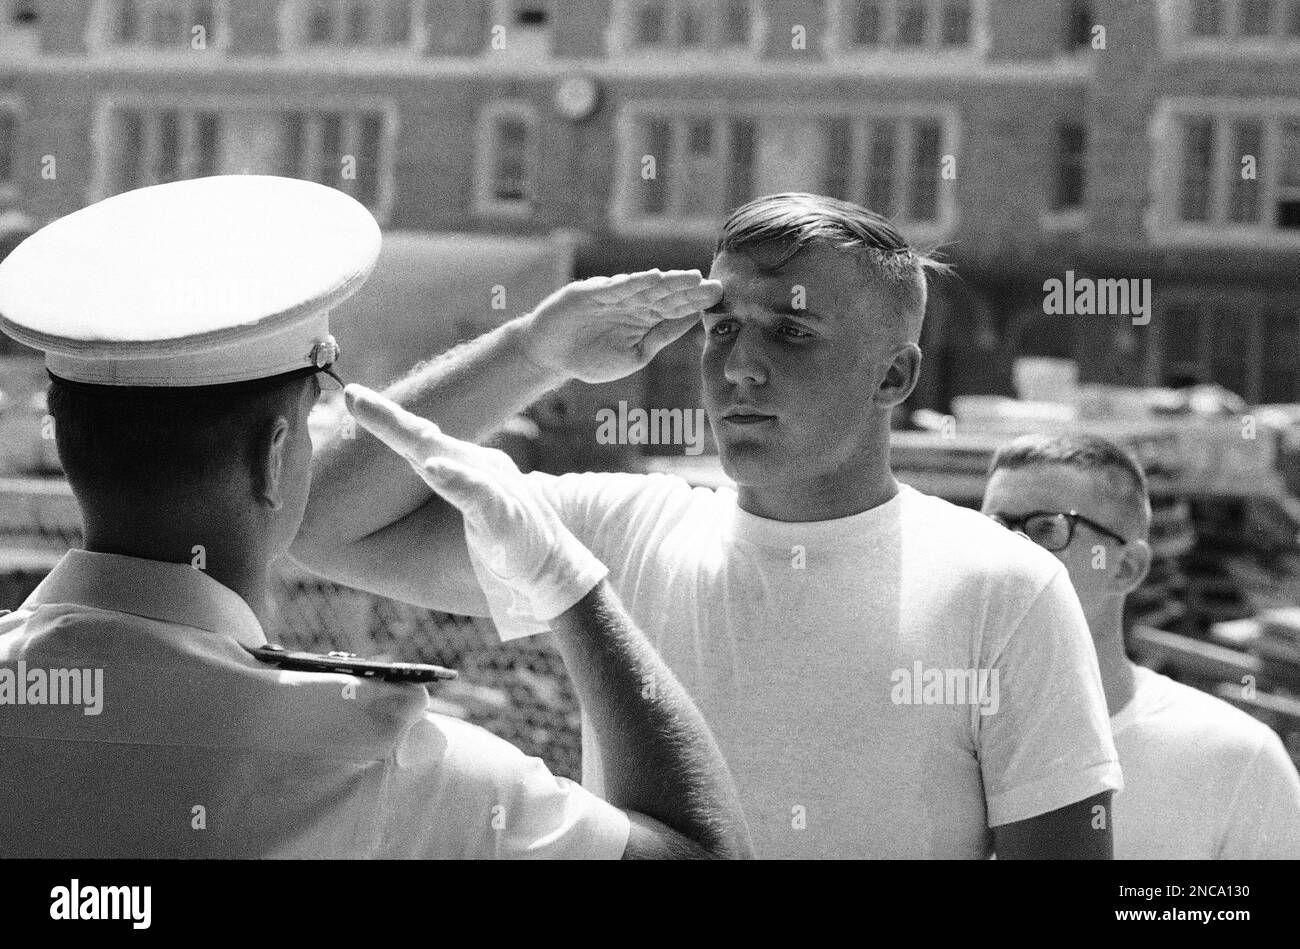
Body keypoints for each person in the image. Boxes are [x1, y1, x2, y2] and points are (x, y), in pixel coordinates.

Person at [295, 192, 1122, 858]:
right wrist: (532, 349)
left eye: (792, 332)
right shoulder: (614, 531)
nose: (738, 366)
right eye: (721, 326)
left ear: (895, 374)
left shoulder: (1004, 585)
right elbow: (318, 522)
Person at [0, 174, 750, 860]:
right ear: (275, 455)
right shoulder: (394, 768)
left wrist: (529, 349)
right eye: (313, 413)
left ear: (65, 437)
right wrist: (571, 586)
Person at [982, 433, 1300, 858]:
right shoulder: (934, 733)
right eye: (993, 527)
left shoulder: (1236, 759)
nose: (1008, 549)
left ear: (1126, 567)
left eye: (1047, 528)